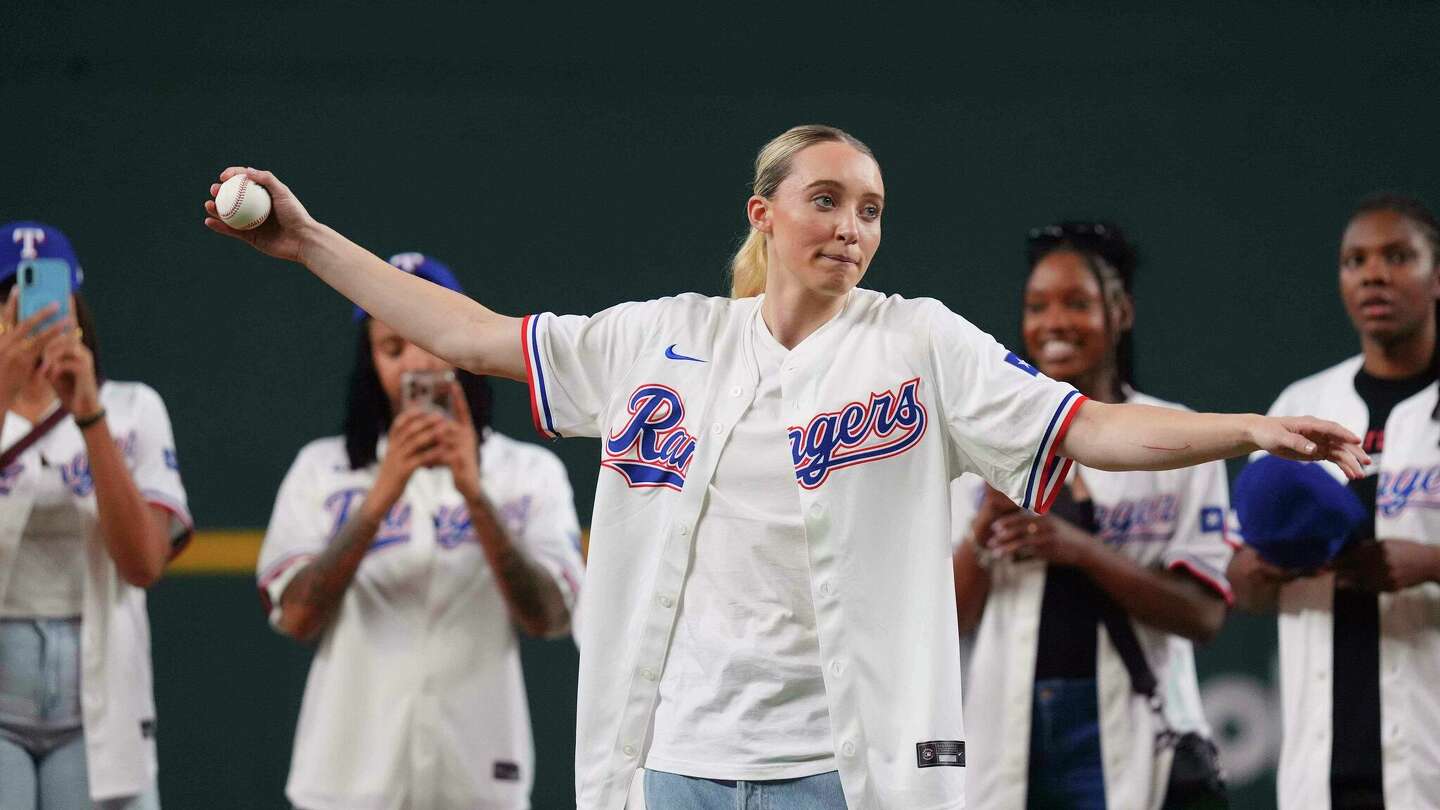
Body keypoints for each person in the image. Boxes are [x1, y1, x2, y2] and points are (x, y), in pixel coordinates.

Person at [204, 126, 1366, 810]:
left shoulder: (919, 342)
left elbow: (1093, 431)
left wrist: (1245, 427)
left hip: (840, 770)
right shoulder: (653, 339)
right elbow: (466, 333)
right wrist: (305, 239)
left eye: (871, 208)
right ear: (764, 215)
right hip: (675, 762)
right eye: (826, 200)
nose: (853, 227)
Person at [255, 252, 584, 810]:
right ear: (370, 363)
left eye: (427, 339)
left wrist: (475, 497)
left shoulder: (527, 473)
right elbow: (295, 615)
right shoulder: (323, 470)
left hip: (478, 773)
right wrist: (381, 496)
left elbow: (550, 617)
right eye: (391, 347)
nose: (415, 363)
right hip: (346, 777)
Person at [952, 221, 1234, 810]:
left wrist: (1076, 548)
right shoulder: (983, 440)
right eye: (1037, 306)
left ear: (1120, 311)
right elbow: (944, 619)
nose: (1053, 323)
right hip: (1004, 721)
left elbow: (1203, 615)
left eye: (1076, 303)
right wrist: (983, 527)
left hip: (1126, 720)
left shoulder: (1178, 436)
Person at [1228, 193, 1440, 810]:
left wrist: (1430, 565)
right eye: (1355, 260)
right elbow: (1243, 585)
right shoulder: (1304, 402)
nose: (1373, 273)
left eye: (1398, 256)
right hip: (1319, 768)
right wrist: (1261, 570)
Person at [0, 221, 192, 809]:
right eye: (10, 303)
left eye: (45, 302)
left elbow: (142, 564)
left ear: (76, 309)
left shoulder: (132, 408)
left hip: (99, 688)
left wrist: (89, 416)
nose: (29, 320)